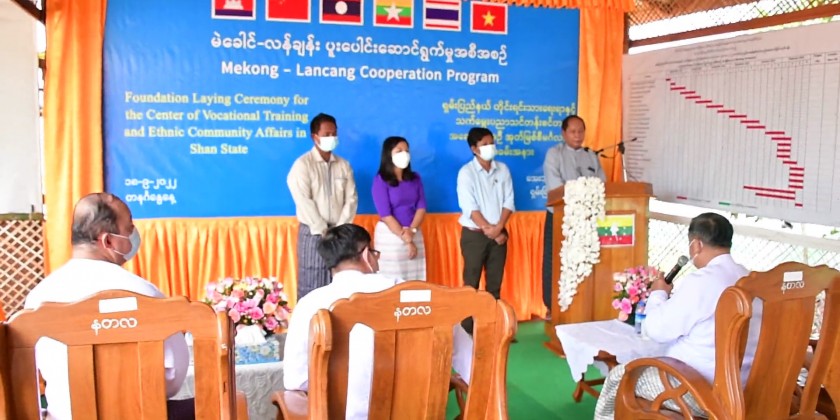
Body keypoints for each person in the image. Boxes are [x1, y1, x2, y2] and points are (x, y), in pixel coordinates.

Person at [24, 193, 191, 420]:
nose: (133, 235)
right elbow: (174, 374)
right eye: (129, 228)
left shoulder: (38, 298)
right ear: (108, 241)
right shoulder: (144, 293)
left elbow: (29, 372)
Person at [283, 224, 473, 419]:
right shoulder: (413, 295)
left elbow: (297, 381)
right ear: (367, 254)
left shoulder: (310, 305)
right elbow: (469, 358)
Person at [594, 213, 762, 419]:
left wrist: (658, 293)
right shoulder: (750, 278)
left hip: (699, 390)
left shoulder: (702, 281)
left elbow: (655, 330)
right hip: (745, 387)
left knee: (620, 377)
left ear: (696, 245)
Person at [287, 113, 358, 300]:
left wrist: (341, 228)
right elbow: (303, 200)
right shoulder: (302, 165)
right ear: (315, 137)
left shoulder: (344, 165)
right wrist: (322, 229)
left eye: (334, 133)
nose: (332, 138)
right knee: (313, 285)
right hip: (314, 233)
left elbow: (351, 199)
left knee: (341, 286)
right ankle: (312, 327)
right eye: (327, 134)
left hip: (341, 234)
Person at [542, 115, 606, 316]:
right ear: (564, 133)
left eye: (581, 131)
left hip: (587, 221)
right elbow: (556, 188)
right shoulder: (555, 154)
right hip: (561, 218)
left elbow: (602, 184)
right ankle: (553, 307)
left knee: (585, 261)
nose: (578, 136)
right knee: (556, 262)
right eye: (573, 131)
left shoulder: (591, 155)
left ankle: (582, 306)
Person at [456, 127, 515, 334]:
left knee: (494, 284)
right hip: (474, 235)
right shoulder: (466, 173)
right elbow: (470, 207)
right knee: (471, 283)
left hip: (499, 234)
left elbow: (509, 201)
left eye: (491, 143)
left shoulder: (503, 169)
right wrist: (488, 229)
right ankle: (467, 329)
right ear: (474, 149)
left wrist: (498, 228)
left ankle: (492, 327)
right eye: (484, 144)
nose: (490, 147)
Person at [371, 136, 427, 281]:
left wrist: (412, 231)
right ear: (388, 154)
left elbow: (421, 207)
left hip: (414, 233)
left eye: (407, 151)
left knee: (415, 279)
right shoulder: (380, 180)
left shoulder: (415, 178)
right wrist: (406, 239)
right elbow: (385, 214)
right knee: (393, 281)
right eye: (399, 151)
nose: (405, 154)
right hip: (391, 236)